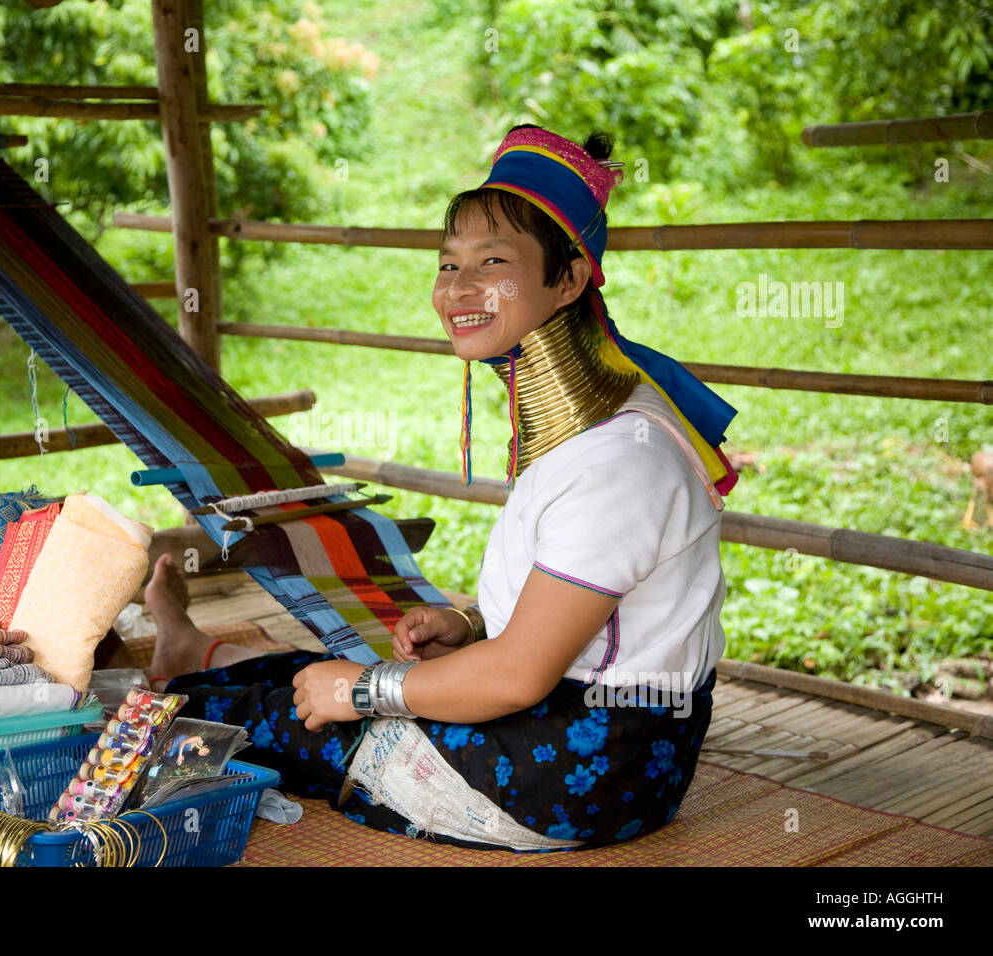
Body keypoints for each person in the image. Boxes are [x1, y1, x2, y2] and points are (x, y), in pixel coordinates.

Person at [145, 124, 738, 851]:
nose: (457, 289)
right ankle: (191, 649)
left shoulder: (621, 458)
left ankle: (185, 673)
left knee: (216, 719)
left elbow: (519, 678)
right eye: (448, 263)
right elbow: (601, 619)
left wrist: (364, 693)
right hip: (600, 741)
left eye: (493, 262)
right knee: (315, 679)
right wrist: (470, 628)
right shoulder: (613, 422)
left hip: (571, 772)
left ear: (570, 278)